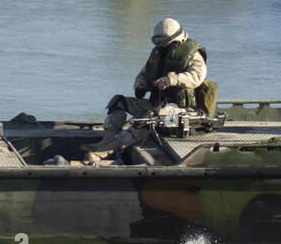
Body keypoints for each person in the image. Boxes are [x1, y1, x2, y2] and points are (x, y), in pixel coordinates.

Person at [81, 18, 209, 159]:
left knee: (147, 118)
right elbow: (145, 72)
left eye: (163, 40)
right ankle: (106, 141)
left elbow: (197, 76)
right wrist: (141, 84)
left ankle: (107, 150)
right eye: (157, 41)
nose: (160, 44)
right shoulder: (158, 52)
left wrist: (172, 79)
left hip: (180, 110)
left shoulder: (192, 53)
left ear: (174, 38)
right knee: (118, 102)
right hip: (156, 104)